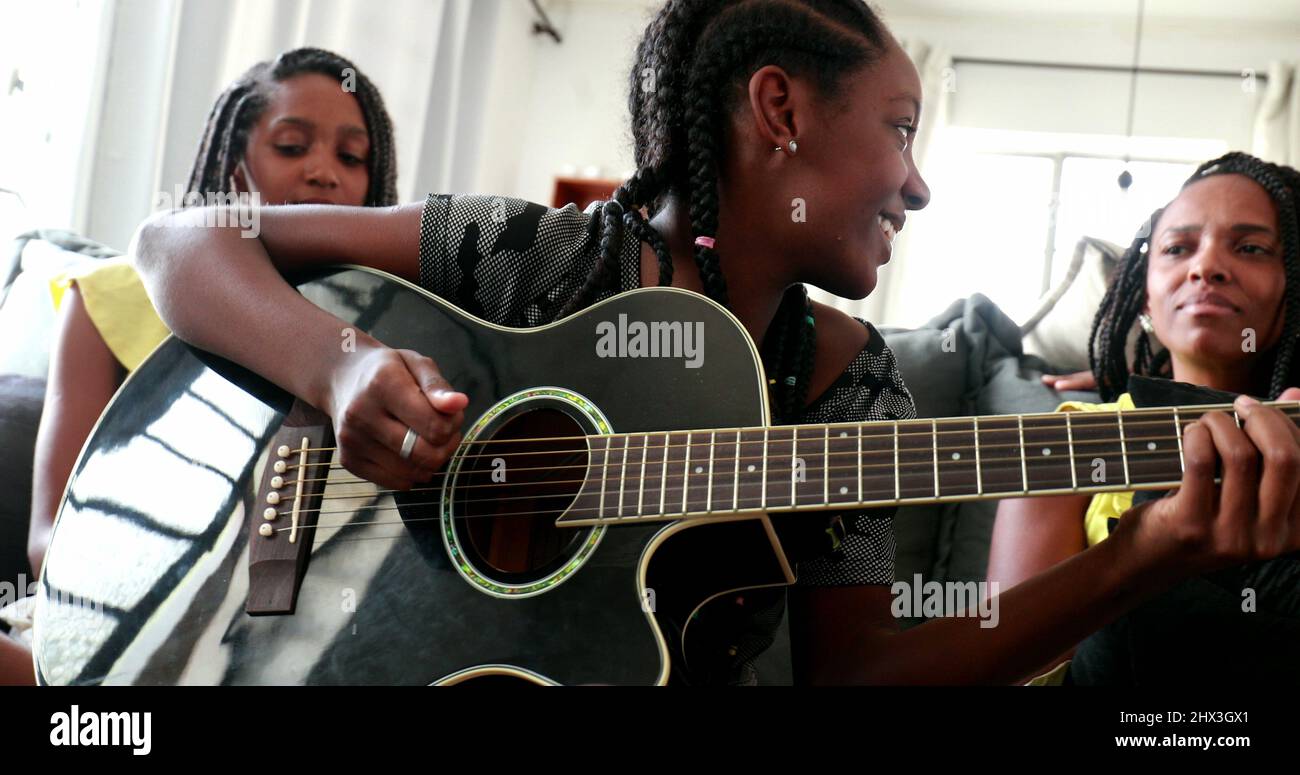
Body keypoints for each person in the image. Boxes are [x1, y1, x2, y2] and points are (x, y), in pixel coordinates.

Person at [134, 1, 1300, 685]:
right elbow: (185, 240)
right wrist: (336, 367)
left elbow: (868, 673)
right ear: (781, 111)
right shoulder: (539, 258)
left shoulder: (848, 383)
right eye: (898, 128)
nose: (919, 183)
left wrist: (1150, 550)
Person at [3, 46, 398, 686]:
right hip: (109, 621)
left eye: (351, 157)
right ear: (233, 169)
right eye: (292, 146)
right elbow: (49, 540)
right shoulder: (105, 297)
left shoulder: (391, 333)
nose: (325, 172)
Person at [989, 152, 1300, 684]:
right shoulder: (1066, 439)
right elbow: (1012, 668)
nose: (1205, 267)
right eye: (1177, 248)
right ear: (1144, 299)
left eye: (1250, 248)